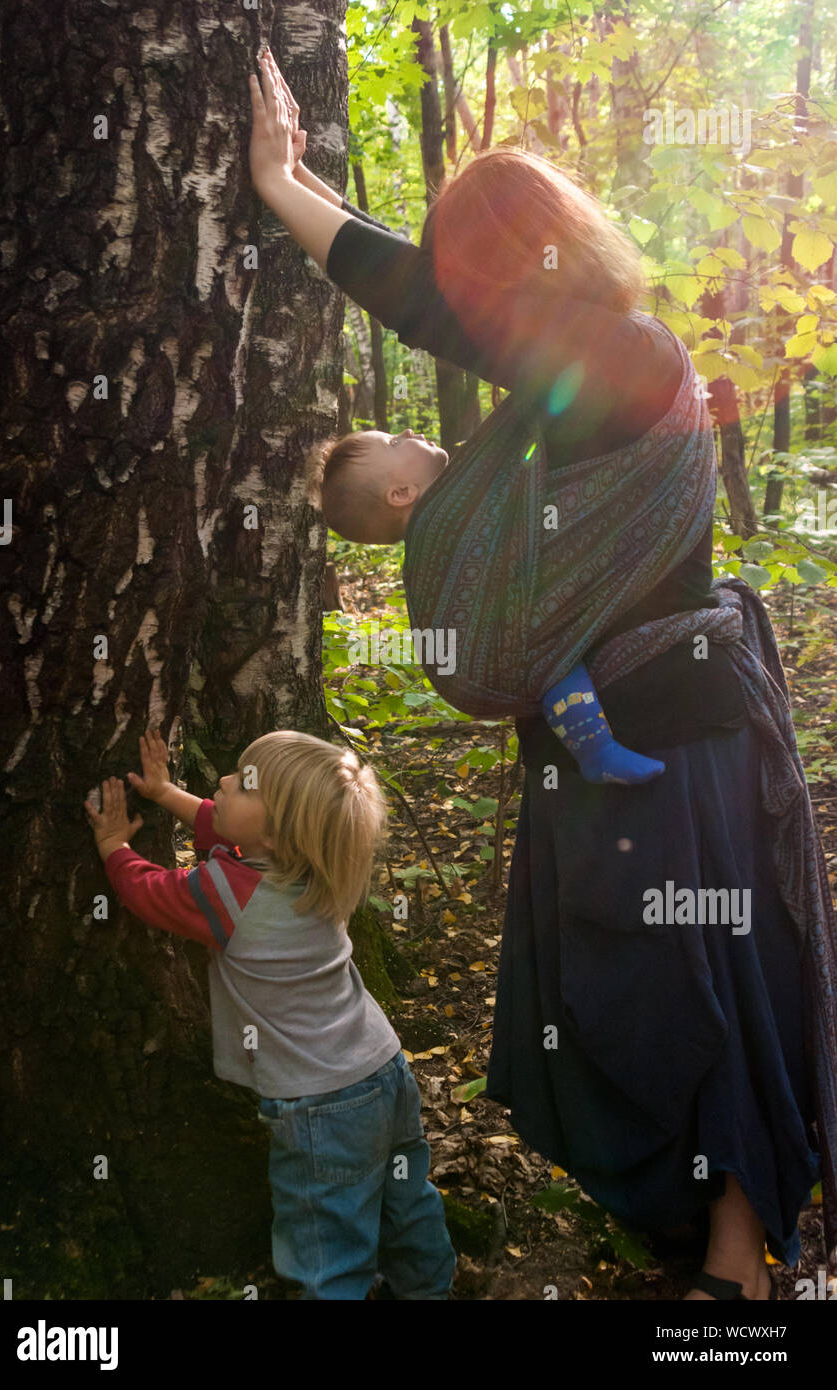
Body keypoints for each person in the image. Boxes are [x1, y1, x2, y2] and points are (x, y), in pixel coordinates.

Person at [247, 48, 837, 1299]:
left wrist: (289, 185)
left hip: (671, 743)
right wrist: (285, 182)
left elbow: (423, 302)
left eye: (482, 273)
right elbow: (420, 299)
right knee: (661, 981)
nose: (470, 306)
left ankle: (737, 1256)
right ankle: (708, 1229)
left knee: (695, 981)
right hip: (640, 737)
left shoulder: (611, 364)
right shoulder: (584, 379)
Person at [84, 727, 456, 1300]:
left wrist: (113, 844)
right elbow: (225, 823)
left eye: (244, 783)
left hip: (321, 1106)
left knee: (326, 1241)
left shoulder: (227, 895)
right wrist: (163, 793)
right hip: (384, 1071)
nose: (224, 783)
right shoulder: (320, 872)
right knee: (406, 1201)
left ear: (281, 832)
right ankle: (430, 1290)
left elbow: (149, 892)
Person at [313, 424, 665, 785]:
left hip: (533, 608)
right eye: (394, 442)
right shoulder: (440, 526)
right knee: (556, 665)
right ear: (402, 492)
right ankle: (596, 750)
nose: (405, 430)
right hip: (523, 635)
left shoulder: (453, 505)